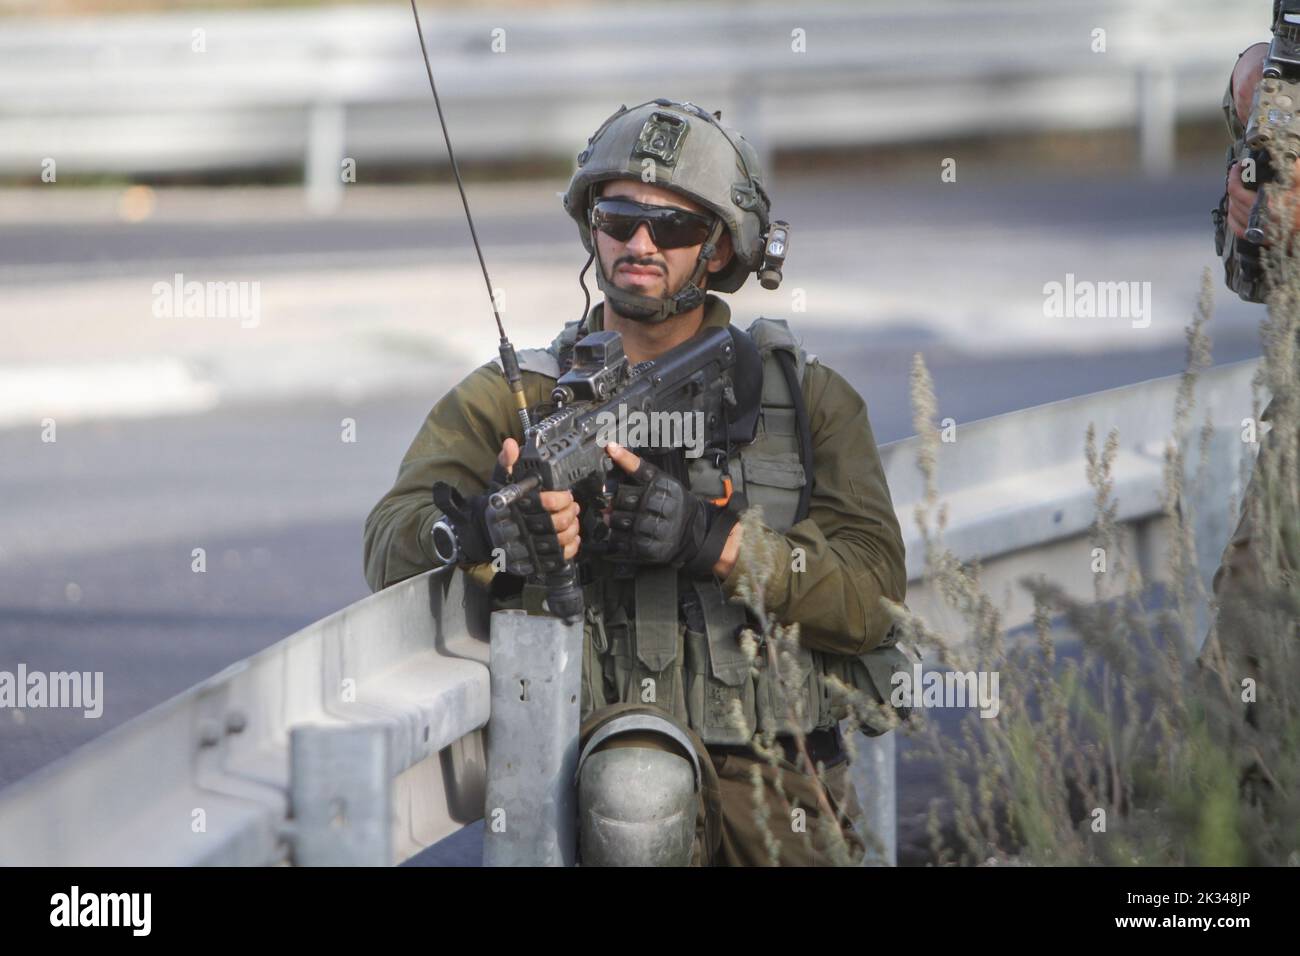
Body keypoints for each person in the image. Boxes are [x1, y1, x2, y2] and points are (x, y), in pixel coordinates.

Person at [363, 99, 908, 866]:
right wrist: (485, 528)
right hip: (585, 781)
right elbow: (392, 542)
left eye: (674, 228)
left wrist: (714, 542)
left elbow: (875, 601)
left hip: (781, 788)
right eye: (619, 220)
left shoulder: (804, 399)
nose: (640, 244)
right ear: (593, 231)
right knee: (637, 791)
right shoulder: (515, 398)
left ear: (720, 249)